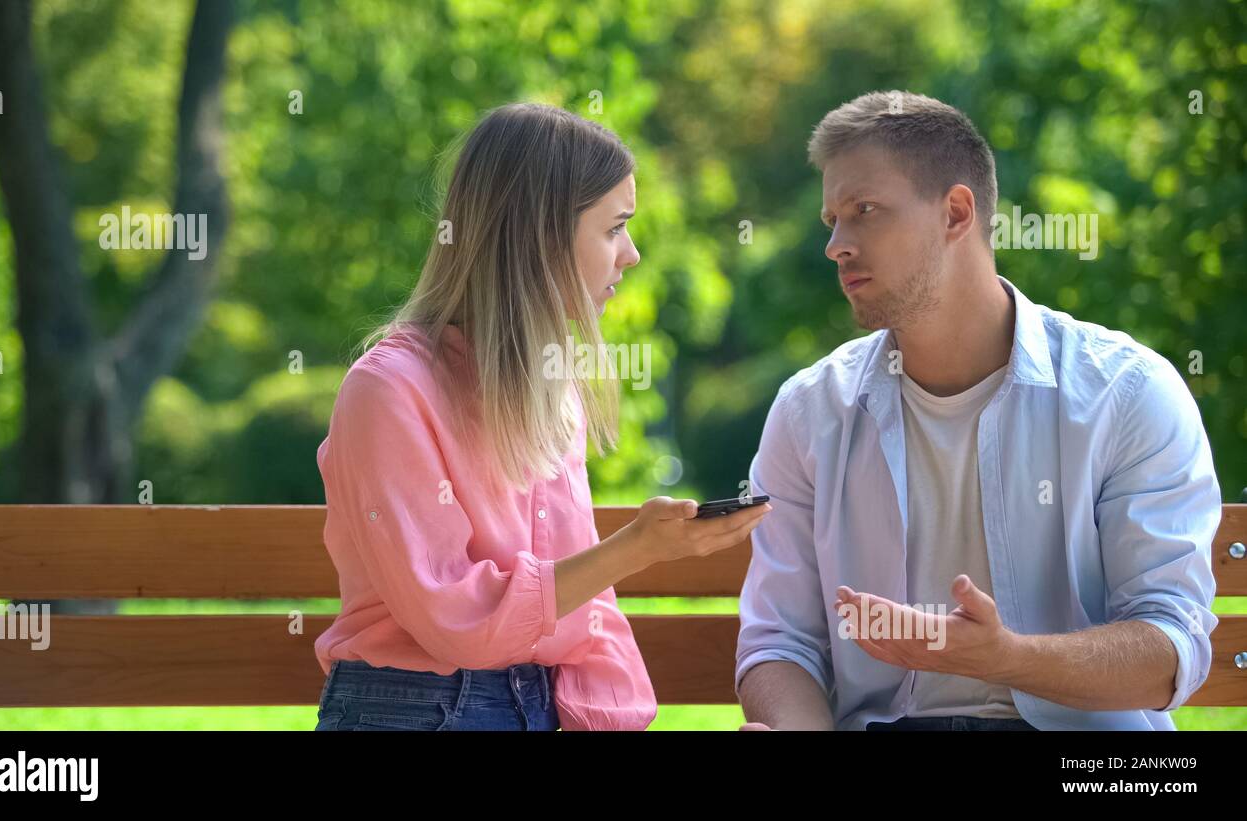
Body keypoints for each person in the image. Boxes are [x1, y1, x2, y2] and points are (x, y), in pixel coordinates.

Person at [736, 91, 1220, 731]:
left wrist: (1006, 658)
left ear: (956, 213)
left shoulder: (1127, 393)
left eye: (864, 211)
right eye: (832, 220)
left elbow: (1170, 648)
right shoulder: (809, 410)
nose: (836, 245)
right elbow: (780, 644)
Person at [312, 102, 771, 731]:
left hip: (541, 704)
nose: (631, 254)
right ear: (542, 234)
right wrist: (636, 548)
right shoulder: (387, 391)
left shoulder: (550, 388)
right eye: (614, 228)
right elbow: (458, 620)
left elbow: (585, 616)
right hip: (416, 707)